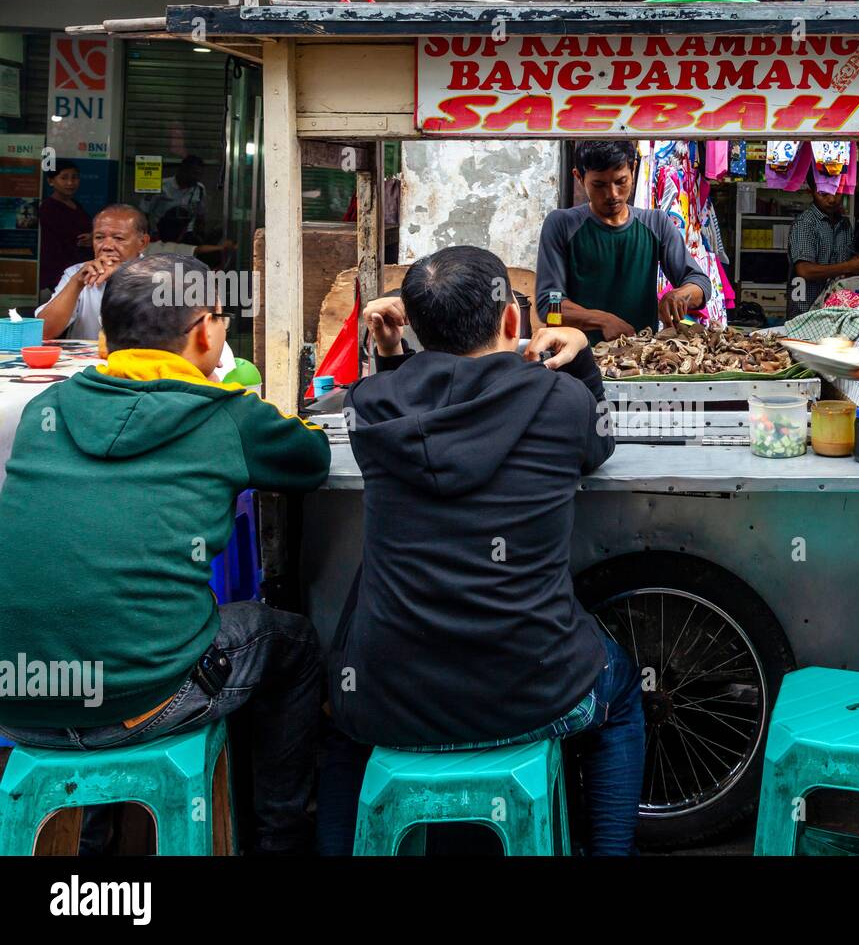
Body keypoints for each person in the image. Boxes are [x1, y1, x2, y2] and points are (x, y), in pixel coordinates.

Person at [318, 246, 645, 856]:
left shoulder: (367, 407)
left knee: (340, 730)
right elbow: (597, 439)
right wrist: (581, 355)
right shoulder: (560, 402)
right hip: (535, 692)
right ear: (513, 322)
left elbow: (407, 407)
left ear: (413, 325)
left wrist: (392, 355)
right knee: (622, 690)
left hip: (389, 699)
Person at [0, 253, 331, 854]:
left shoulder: (43, 412)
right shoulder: (226, 413)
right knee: (292, 641)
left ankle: (99, 842)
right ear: (205, 332)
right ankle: (280, 840)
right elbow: (312, 458)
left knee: (118, 622)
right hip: (140, 702)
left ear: (103, 341)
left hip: (16, 705)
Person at [536, 140, 711, 344]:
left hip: (641, 360)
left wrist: (680, 294)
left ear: (634, 169)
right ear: (579, 177)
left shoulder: (656, 223)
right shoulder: (561, 225)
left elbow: (700, 283)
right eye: (599, 185)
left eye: (621, 181)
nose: (612, 194)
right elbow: (549, 305)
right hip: (578, 358)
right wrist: (601, 320)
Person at [35, 204, 150, 341]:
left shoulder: (161, 274)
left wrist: (125, 275)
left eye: (118, 238)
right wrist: (76, 283)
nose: (107, 246)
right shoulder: (76, 273)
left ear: (142, 243)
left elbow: (169, 334)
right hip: (85, 362)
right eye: (99, 237)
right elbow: (44, 332)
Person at [787, 178, 859, 316]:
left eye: (837, 192)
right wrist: (850, 266)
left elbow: (844, 261)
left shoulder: (844, 224)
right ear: (812, 192)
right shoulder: (805, 224)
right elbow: (805, 270)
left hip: (835, 308)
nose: (832, 199)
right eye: (823, 193)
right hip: (806, 309)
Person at [37, 158, 92, 297]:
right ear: (51, 181)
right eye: (64, 178)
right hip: (57, 273)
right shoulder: (48, 208)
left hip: (79, 269)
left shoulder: (76, 205)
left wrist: (92, 237)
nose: (70, 183)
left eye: (74, 178)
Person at [141, 154, 207, 238]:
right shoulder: (160, 186)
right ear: (183, 170)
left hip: (186, 235)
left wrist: (200, 236)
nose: (197, 178)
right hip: (160, 234)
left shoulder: (199, 189)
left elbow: (201, 215)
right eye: (194, 173)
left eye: (199, 174)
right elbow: (144, 213)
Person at [147, 206, 236, 265]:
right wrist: (221, 247)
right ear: (181, 232)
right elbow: (199, 249)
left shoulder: (148, 247)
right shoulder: (176, 248)